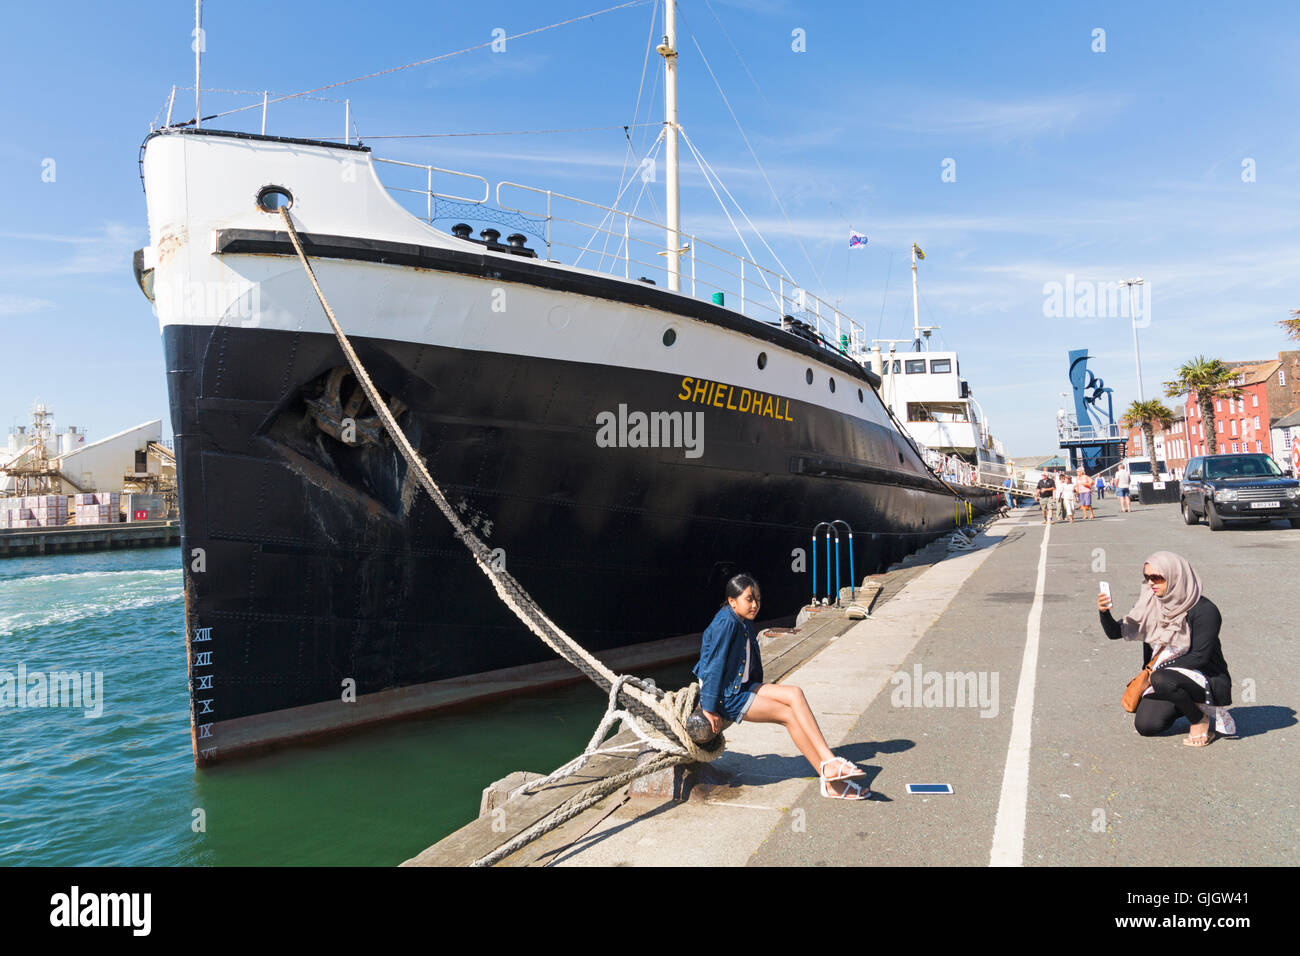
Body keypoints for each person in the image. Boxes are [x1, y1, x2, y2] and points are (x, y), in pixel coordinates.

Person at [695, 573, 870, 798]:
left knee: (795, 694)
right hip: (727, 696)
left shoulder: (743, 620)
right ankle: (828, 777)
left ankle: (829, 761)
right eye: (749, 599)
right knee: (787, 714)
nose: (755, 604)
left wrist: (761, 688)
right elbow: (713, 666)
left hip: (744, 685)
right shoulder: (726, 623)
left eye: (757, 599)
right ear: (732, 601)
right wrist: (708, 708)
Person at [1097, 552, 1234, 745]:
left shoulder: (1204, 610)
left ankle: (1198, 719)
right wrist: (1104, 613)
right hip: (1166, 677)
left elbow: (1200, 657)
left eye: (1157, 578)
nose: (1151, 583)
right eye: (1147, 577)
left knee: (1162, 679)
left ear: (1175, 576)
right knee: (1147, 726)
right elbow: (1114, 632)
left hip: (1203, 677)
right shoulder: (1151, 604)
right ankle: (1187, 704)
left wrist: (1159, 672)